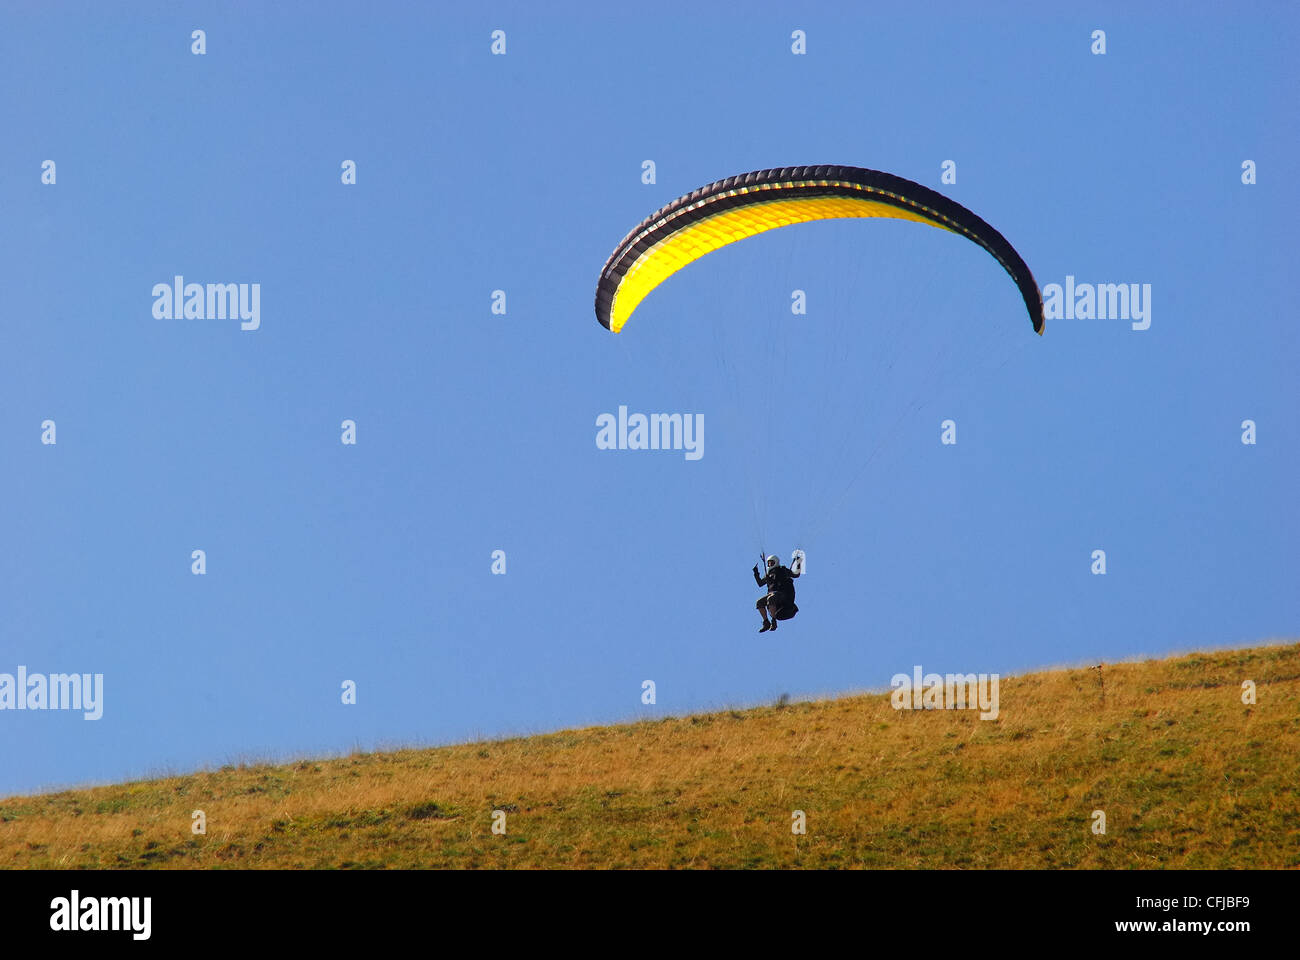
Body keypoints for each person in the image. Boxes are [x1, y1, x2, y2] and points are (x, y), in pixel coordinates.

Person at [754, 553, 800, 632]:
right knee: (759, 603)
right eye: (769, 563)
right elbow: (760, 583)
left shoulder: (782, 570)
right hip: (773, 595)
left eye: (772, 562)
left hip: (783, 594)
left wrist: (798, 562)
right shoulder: (769, 574)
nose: (770, 564)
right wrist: (756, 572)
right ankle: (766, 623)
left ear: (776, 562)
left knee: (771, 598)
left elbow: (796, 574)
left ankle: (773, 621)